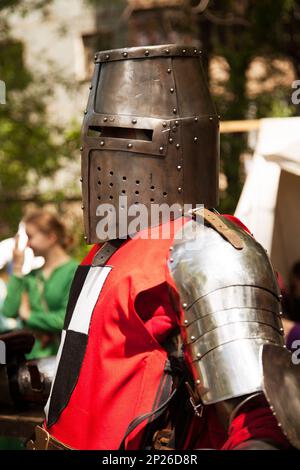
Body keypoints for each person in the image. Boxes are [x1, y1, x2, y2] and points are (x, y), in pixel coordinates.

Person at [28, 45, 296, 451]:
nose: (102, 155)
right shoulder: (109, 250)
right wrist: (27, 378)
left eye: (124, 135)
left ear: (174, 144)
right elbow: (108, 365)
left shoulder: (203, 248)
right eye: (98, 135)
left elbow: (260, 408)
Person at [1, 210, 78, 360]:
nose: (28, 244)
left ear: (51, 237)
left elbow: (66, 319)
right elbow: (9, 311)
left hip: (60, 360)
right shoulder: (32, 276)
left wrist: (29, 316)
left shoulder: (73, 271)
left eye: (31, 237)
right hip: (30, 361)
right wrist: (17, 267)